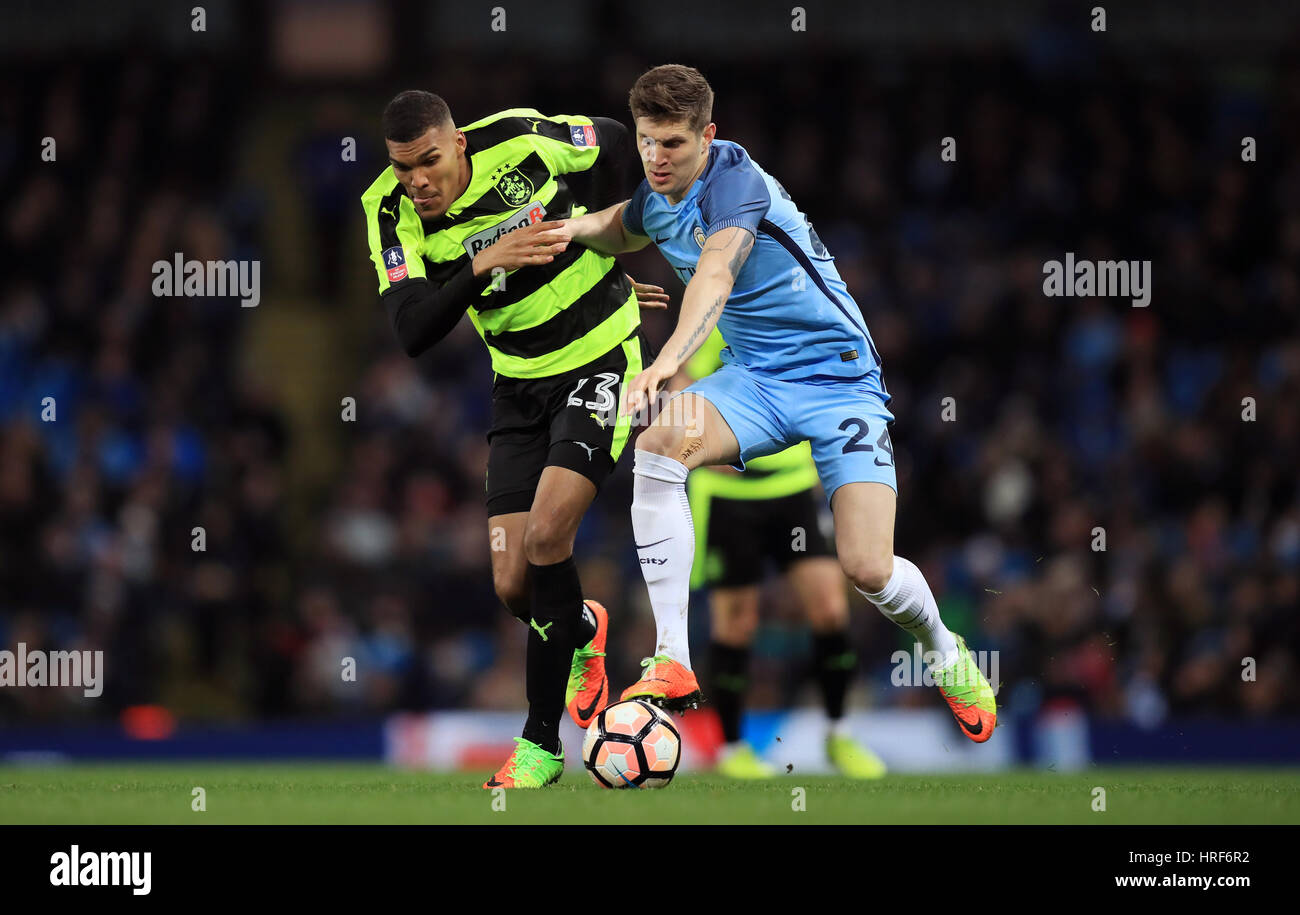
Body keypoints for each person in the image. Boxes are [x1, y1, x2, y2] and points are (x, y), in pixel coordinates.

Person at [563, 65, 997, 742]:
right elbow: (616, 228)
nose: (656, 157)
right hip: (756, 380)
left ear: (708, 137)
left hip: (838, 380)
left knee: (867, 568)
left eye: (673, 142)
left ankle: (945, 650)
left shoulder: (737, 182)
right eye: (647, 141)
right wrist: (558, 232)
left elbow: (713, 273)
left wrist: (668, 361)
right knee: (655, 447)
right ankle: (672, 657)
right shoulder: (656, 199)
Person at [360, 91, 668, 788]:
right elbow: (412, 331)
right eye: (404, 167)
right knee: (513, 583)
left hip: (600, 358)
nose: (419, 181)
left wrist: (608, 241)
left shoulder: (522, 138)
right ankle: (583, 629)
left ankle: (540, 745)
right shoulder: (388, 210)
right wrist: (482, 262)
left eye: (431, 161)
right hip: (518, 385)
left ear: (459, 144)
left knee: (545, 536)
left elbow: (617, 138)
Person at [683, 328, 888, 778]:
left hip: (794, 485)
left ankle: (840, 734)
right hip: (727, 491)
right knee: (736, 623)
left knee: (832, 610)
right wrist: (698, 441)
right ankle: (731, 747)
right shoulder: (717, 316)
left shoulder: (798, 317)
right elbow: (682, 378)